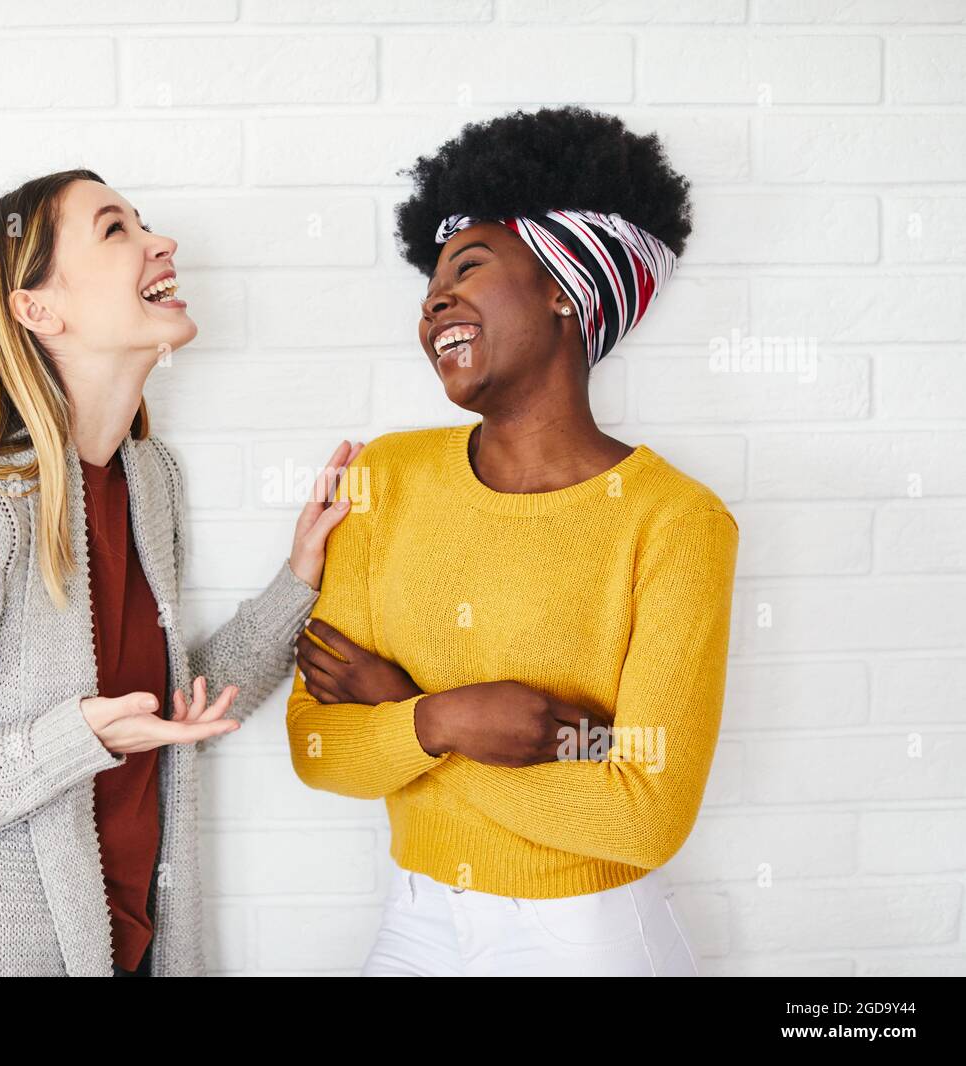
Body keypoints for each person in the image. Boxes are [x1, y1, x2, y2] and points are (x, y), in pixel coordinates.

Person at [0, 168, 360, 976]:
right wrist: (68, 739)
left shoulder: (148, 484)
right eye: (116, 230)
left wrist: (299, 579)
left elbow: (167, 710)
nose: (163, 243)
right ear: (37, 309)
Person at [287, 107, 739, 977]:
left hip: (587, 935)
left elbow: (644, 807)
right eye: (431, 286)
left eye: (470, 267)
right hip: (416, 920)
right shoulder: (390, 478)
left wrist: (406, 715)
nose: (434, 301)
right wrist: (452, 717)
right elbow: (315, 748)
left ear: (564, 290)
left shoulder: (675, 521)